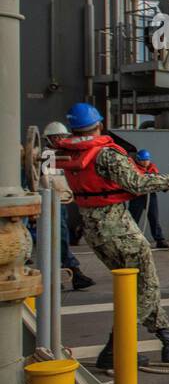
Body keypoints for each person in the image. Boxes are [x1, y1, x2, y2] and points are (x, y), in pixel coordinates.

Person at [55, 103, 169, 368]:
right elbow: (138, 183)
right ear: (99, 124)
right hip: (119, 229)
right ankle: (115, 348)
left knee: (135, 287)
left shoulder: (68, 155)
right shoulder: (107, 154)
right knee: (146, 288)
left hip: (95, 231)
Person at [32, 121, 95, 290]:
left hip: (60, 201)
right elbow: (44, 179)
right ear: (49, 138)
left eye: (63, 136)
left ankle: (61, 275)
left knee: (57, 239)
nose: (61, 139)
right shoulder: (46, 155)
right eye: (57, 137)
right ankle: (72, 272)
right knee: (57, 238)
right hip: (50, 202)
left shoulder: (63, 154)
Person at [127, 149, 168, 248]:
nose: (145, 162)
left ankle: (160, 240)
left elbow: (159, 180)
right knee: (133, 219)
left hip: (151, 195)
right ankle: (131, 240)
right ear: (137, 160)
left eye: (147, 160)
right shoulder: (132, 168)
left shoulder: (152, 168)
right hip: (137, 196)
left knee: (154, 218)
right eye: (143, 160)